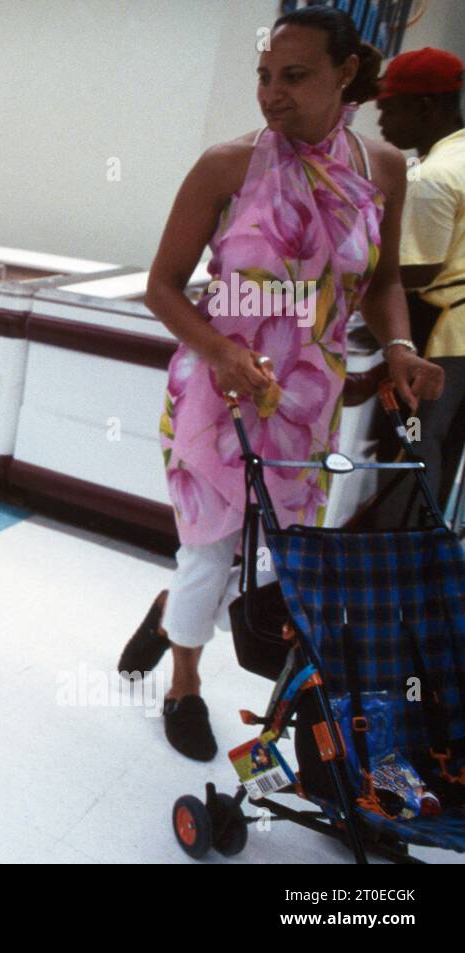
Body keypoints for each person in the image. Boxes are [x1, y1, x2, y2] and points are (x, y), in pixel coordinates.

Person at [119, 7, 445, 761]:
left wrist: (397, 347)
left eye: (294, 76)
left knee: (273, 554)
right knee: (209, 547)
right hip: (219, 388)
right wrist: (219, 351)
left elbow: (384, 279)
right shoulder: (227, 165)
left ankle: (170, 610)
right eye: (264, 76)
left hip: (309, 398)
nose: (272, 93)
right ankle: (184, 685)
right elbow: (163, 287)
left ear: (346, 76)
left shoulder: (382, 169)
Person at [373, 48, 465, 523]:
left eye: (389, 106)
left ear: (425, 108)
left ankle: (392, 566)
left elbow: (413, 272)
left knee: (411, 448)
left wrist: (339, 278)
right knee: (445, 452)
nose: (381, 119)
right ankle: (431, 564)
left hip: (438, 335)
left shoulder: (433, 176)